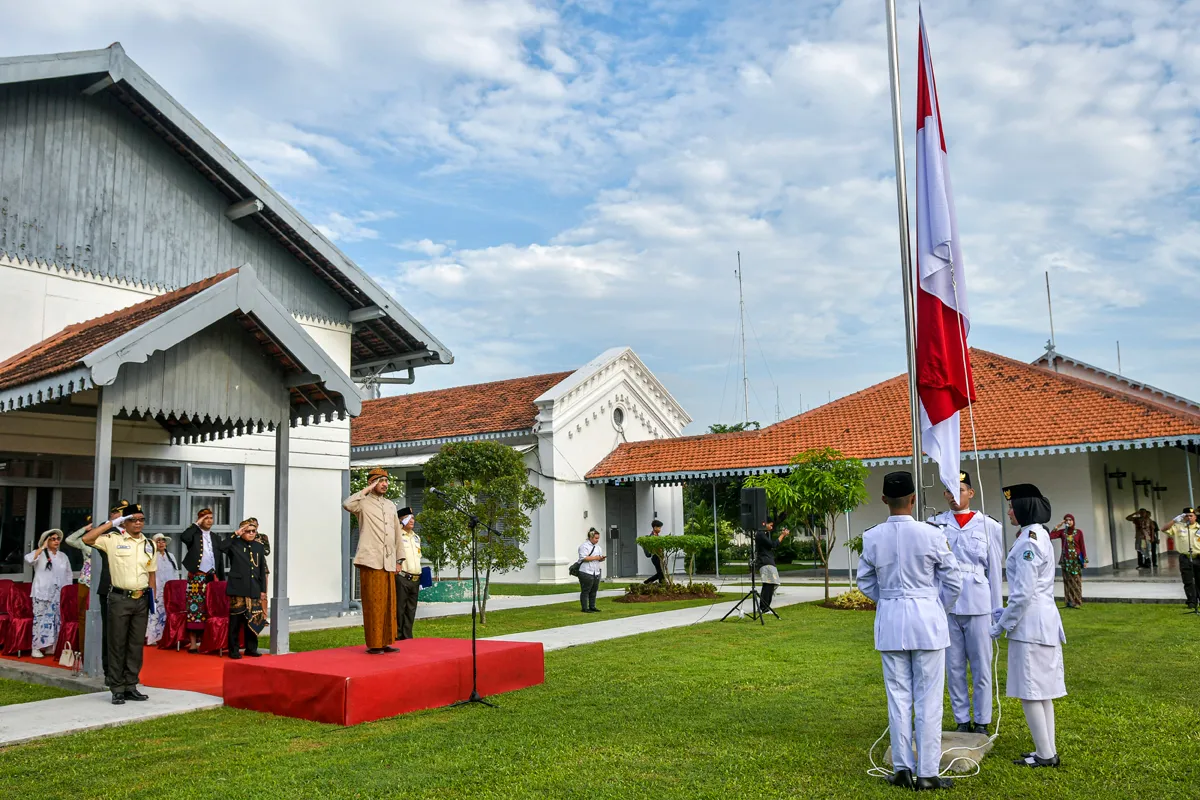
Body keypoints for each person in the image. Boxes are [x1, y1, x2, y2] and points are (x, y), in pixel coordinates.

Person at [858, 471, 962, 791]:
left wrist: (890, 601)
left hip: (891, 621)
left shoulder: (872, 536)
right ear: (914, 500)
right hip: (927, 620)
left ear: (885, 500)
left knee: (898, 697)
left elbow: (865, 582)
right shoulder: (932, 534)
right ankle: (927, 772)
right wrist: (934, 606)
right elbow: (954, 582)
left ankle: (903, 769)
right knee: (929, 698)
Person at [991, 483, 1066, 769]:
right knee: (1041, 691)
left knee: (1030, 691)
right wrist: (1006, 612)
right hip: (1040, 619)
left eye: (1012, 506)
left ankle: (1046, 755)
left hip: (1030, 625)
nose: (1009, 511)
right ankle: (1046, 750)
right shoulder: (1038, 535)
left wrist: (1002, 624)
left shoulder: (1028, 542)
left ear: (1023, 509)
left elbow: (1022, 594)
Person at [926, 470, 1003, 736]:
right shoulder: (934, 524)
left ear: (971, 492)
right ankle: (961, 718)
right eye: (948, 490)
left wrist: (996, 611)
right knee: (954, 665)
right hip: (947, 603)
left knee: (981, 664)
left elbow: (994, 570)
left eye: (959, 489)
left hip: (979, 602)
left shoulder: (988, 526)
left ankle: (982, 719)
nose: (953, 495)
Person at [83, 504, 156, 705]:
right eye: (134, 519)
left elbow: (151, 573)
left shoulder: (149, 544)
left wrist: (154, 600)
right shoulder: (113, 540)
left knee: (135, 645)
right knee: (117, 643)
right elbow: (87, 539)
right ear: (125, 522)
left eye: (141, 519)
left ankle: (131, 685)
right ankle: (117, 688)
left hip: (141, 599)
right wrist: (111, 523)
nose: (139, 523)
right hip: (119, 598)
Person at [343, 468, 401, 654]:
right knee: (374, 603)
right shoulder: (362, 503)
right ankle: (375, 644)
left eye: (386, 481)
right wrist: (366, 490)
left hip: (389, 561)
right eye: (380, 481)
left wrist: (399, 559)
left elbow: (397, 533)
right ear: (371, 483)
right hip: (370, 559)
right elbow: (347, 503)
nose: (384, 484)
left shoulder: (391, 505)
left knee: (388, 603)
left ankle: (386, 641)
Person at [67, 502, 126, 678]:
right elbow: (72, 540)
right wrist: (87, 527)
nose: (120, 517)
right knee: (85, 617)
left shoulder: (126, 533)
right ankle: (88, 656)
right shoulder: (103, 531)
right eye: (117, 513)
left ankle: (121, 670)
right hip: (87, 580)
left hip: (117, 582)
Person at [214, 519, 268, 658]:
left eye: (253, 531)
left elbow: (262, 569)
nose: (251, 534)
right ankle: (234, 650)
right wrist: (235, 534)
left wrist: (263, 591)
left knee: (254, 619)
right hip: (238, 588)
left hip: (254, 588)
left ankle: (251, 648)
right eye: (247, 531)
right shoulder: (234, 544)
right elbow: (220, 547)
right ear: (242, 531)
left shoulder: (259, 547)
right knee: (236, 622)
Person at [180, 508, 225, 653]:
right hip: (197, 577)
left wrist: (221, 579)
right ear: (200, 519)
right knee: (195, 609)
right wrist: (196, 524)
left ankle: (209, 641)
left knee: (210, 608)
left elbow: (219, 560)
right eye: (206, 518)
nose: (209, 520)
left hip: (212, 577)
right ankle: (193, 643)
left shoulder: (216, 538)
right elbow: (184, 537)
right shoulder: (193, 534)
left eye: (211, 518)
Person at [24, 529, 73, 658]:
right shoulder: (40, 554)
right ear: (46, 541)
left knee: (55, 619)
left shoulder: (63, 556)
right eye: (53, 539)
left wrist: (67, 591)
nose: (56, 541)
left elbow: (68, 574)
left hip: (58, 593)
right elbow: (28, 560)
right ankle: (36, 647)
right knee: (40, 619)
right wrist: (43, 547)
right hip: (42, 592)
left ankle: (51, 646)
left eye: (58, 539)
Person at [146, 534, 183, 646]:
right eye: (158, 541)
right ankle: (153, 637)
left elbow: (175, 572)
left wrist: (176, 588)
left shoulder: (171, 556)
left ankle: (167, 637)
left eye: (163, 541)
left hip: (170, 590)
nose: (161, 543)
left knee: (168, 613)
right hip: (157, 588)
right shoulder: (151, 556)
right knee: (156, 613)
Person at [1159, 507, 1200, 609]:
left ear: (1195, 517)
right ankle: (1191, 601)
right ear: (1183, 517)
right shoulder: (1178, 527)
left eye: (1191, 516)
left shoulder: (1199, 527)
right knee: (1188, 581)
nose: (1189, 517)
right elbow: (1163, 529)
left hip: (1199, 557)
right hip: (1185, 557)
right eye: (1186, 516)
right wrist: (1174, 520)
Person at [395, 507, 422, 641]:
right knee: (399, 609)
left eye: (413, 517)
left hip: (415, 578)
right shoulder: (397, 535)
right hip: (402, 577)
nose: (413, 520)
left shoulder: (416, 538)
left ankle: (407, 637)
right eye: (409, 518)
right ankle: (398, 636)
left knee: (411, 610)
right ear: (401, 520)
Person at [1049, 515, 1087, 608]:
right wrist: (1057, 526)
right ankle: (1069, 602)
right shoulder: (1063, 532)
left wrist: (1085, 560)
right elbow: (1050, 536)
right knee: (1067, 581)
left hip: (1076, 561)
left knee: (1076, 581)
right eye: (1066, 520)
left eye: (1070, 520)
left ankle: (1077, 601)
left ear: (1073, 521)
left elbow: (1082, 546)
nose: (1068, 522)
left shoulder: (1078, 532)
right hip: (1066, 561)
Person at [755, 517, 789, 615]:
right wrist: (782, 535)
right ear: (764, 524)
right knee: (769, 584)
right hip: (765, 562)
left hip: (767, 562)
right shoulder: (761, 534)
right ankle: (764, 607)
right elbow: (773, 544)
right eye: (770, 524)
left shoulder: (764, 534)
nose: (771, 526)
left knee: (769, 584)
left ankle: (764, 607)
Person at [577, 528, 606, 613]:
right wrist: (595, 557)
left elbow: (598, 558)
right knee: (586, 590)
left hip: (596, 571)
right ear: (590, 537)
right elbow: (583, 558)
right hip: (586, 571)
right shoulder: (584, 546)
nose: (597, 540)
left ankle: (592, 606)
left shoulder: (598, 547)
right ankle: (585, 608)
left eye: (598, 538)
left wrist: (601, 558)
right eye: (595, 538)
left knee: (594, 590)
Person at [642, 520, 666, 584]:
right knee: (660, 572)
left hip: (659, 556)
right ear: (655, 528)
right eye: (659, 528)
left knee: (660, 572)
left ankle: (649, 581)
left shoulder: (657, 536)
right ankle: (661, 584)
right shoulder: (652, 537)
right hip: (655, 557)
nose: (660, 529)